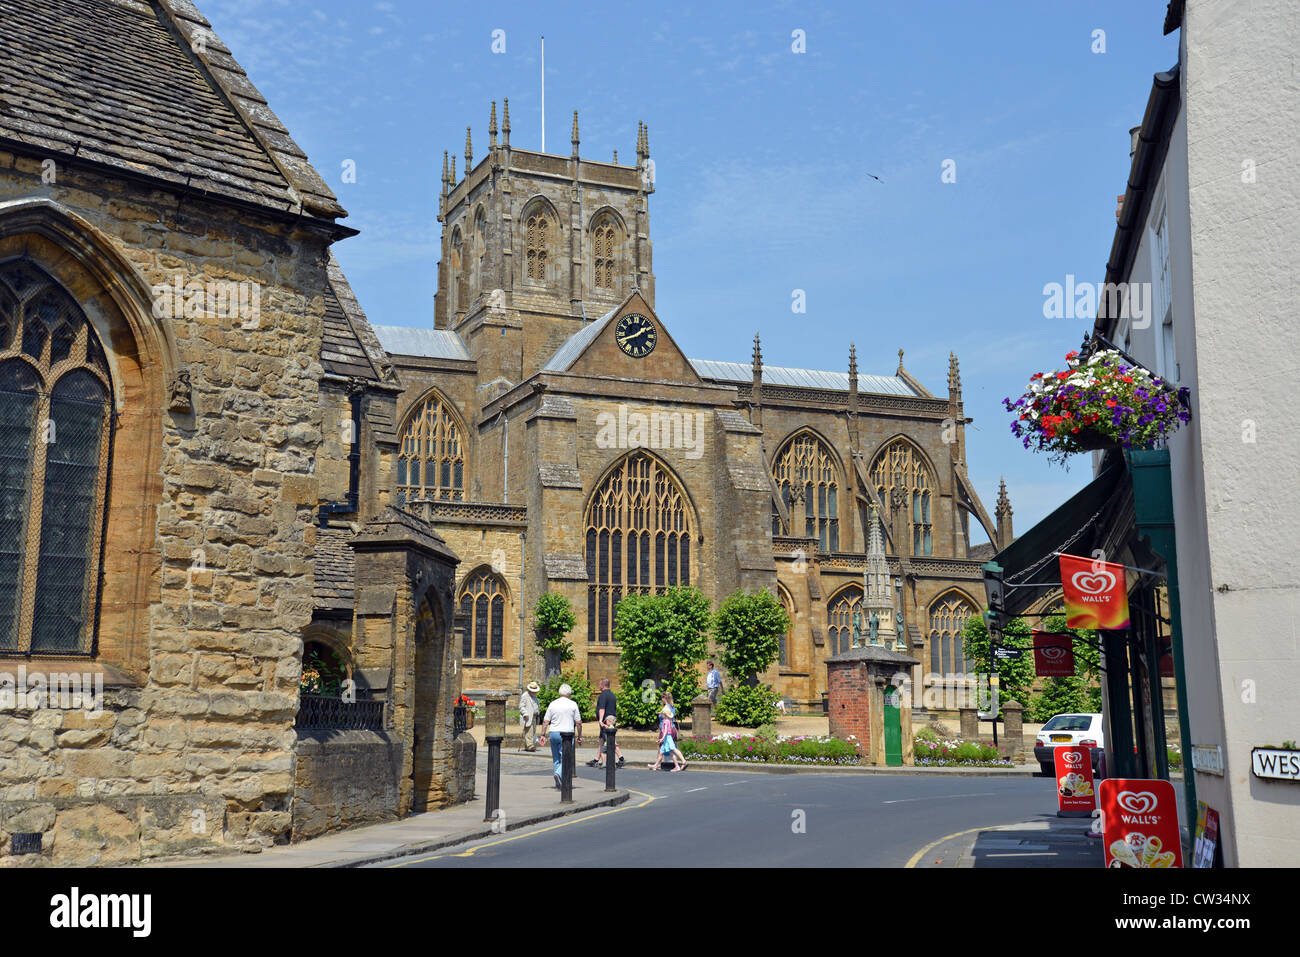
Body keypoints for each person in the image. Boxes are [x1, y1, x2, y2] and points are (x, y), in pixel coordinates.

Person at [538, 683, 583, 788]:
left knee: (556, 758)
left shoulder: (553, 704)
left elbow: (545, 721)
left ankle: (558, 781)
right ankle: (558, 774)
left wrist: (542, 735)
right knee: (566, 758)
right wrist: (580, 736)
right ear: (569, 694)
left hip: (553, 733)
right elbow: (579, 722)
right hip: (567, 734)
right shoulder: (573, 704)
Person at [587, 677, 625, 769]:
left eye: (600, 684)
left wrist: (600, 720)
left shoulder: (603, 695)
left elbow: (602, 709)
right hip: (612, 719)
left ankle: (621, 758)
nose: (599, 686)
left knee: (609, 740)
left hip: (605, 721)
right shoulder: (613, 695)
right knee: (602, 740)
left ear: (603, 685)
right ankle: (596, 759)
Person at [648, 690, 687, 772]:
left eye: (662, 698)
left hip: (666, 730)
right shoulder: (672, 706)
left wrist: (663, 734)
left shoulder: (666, 707)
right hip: (672, 729)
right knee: (666, 749)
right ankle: (658, 764)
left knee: (668, 748)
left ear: (665, 698)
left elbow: (665, 719)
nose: (661, 700)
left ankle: (680, 762)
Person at [519, 681, 541, 751]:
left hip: (534, 716)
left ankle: (527, 746)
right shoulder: (525, 696)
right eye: (533, 691)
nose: (535, 692)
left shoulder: (534, 696)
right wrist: (525, 713)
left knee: (533, 731)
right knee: (529, 731)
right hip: (528, 716)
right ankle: (530, 746)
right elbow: (521, 706)